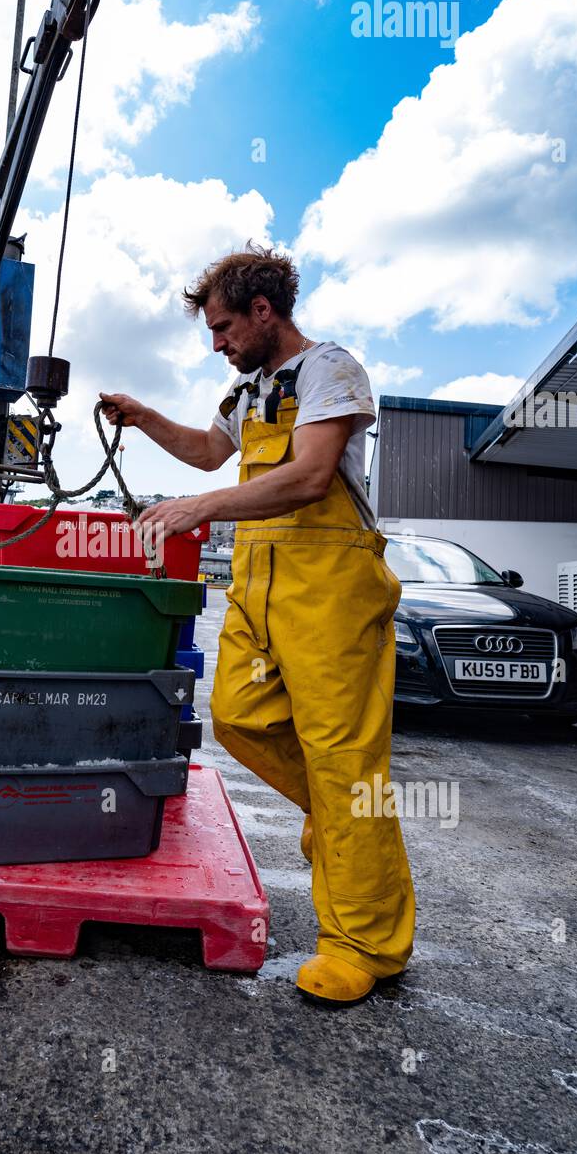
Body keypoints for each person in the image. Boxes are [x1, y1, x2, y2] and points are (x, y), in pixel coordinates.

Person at [100, 245, 414, 1005]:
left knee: (345, 762)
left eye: (222, 327)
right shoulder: (246, 393)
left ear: (263, 311)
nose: (216, 343)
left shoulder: (330, 371)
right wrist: (143, 420)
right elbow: (210, 453)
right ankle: (333, 817)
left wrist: (197, 510)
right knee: (237, 718)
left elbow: (308, 477)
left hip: (332, 584)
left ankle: (365, 946)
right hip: (261, 587)